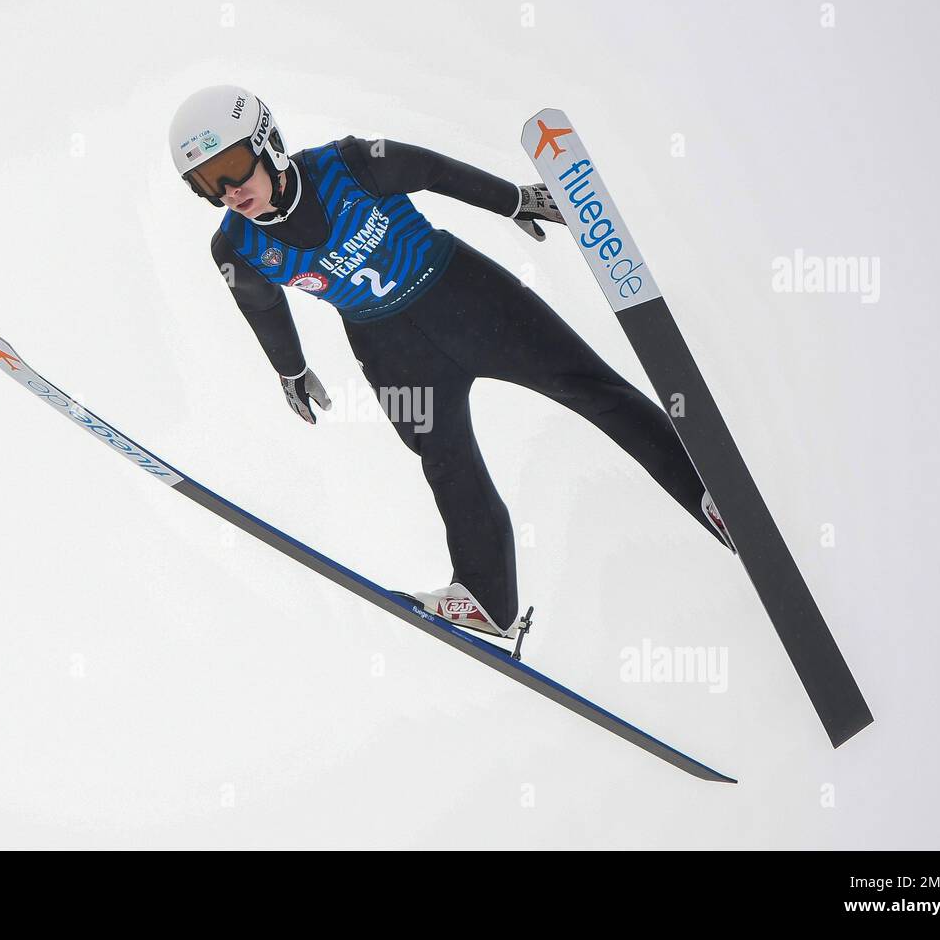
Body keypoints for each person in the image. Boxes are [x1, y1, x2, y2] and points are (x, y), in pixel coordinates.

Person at [169, 84, 733, 640]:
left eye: (234, 166)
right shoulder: (237, 247)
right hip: (390, 351)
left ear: (267, 143)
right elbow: (263, 306)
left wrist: (515, 199)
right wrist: (290, 370)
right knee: (446, 461)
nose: (228, 190)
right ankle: (487, 598)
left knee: (589, 388)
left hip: (467, 297)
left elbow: (436, 172)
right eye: (207, 183)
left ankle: (711, 495)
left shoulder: (349, 164)